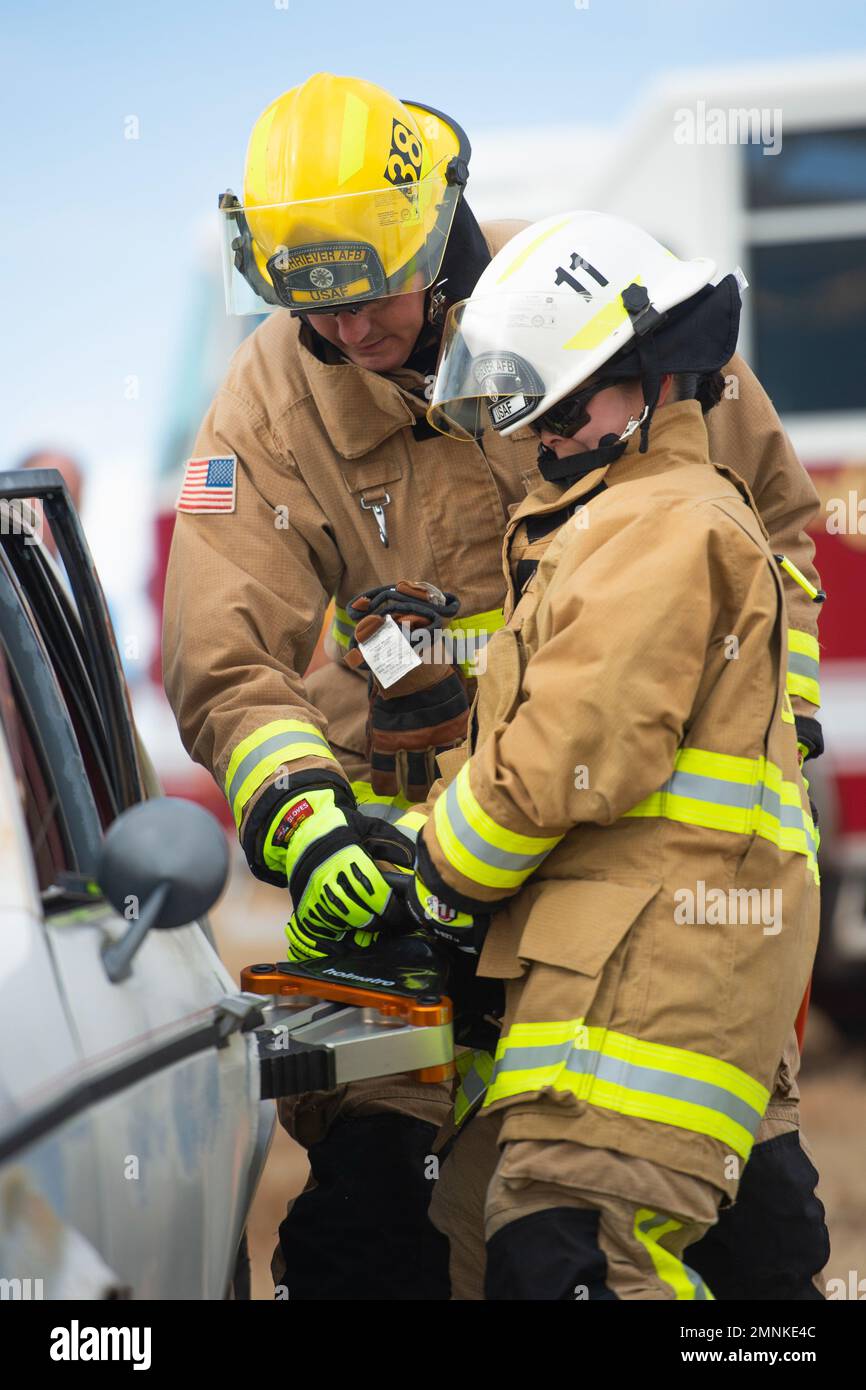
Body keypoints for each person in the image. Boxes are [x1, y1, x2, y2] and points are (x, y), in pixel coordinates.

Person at [163, 71, 824, 1299]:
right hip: (401, 897)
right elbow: (227, 655)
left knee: (739, 1237)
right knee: (375, 1241)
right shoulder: (270, 396)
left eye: (369, 294)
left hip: (627, 891)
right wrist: (311, 826)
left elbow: (770, 536)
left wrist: (756, 750)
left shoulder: (591, 301)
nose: (348, 334)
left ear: (436, 229)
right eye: (314, 310)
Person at [394, 209, 826, 1299]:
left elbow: (561, 758)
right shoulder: (615, 519)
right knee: (506, 1236)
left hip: (653, 985)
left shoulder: (658, 525)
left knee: (572, 1253)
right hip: (615, 976)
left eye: (564, 405)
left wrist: (429, 872)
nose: (538, 434)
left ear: (650, 380)